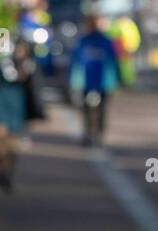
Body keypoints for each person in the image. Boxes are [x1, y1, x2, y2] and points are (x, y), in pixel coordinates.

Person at [0, 26, 43, 191]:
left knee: (13, 139)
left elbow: (28, 68)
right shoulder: (3, 32)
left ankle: (7, 173)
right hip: (1, 94)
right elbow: (0, 62)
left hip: (17, 97)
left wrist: (24, 60)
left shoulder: (24, 30)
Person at [69, 15, 121, 147]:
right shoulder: (84, 41)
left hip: (102, 83)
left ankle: (96, 134)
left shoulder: (105, 42)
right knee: (89, 110)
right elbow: (77, 63)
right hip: (89, 83)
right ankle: (90, 133)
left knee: (100, 110)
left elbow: (113, 62)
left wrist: (114, 80)